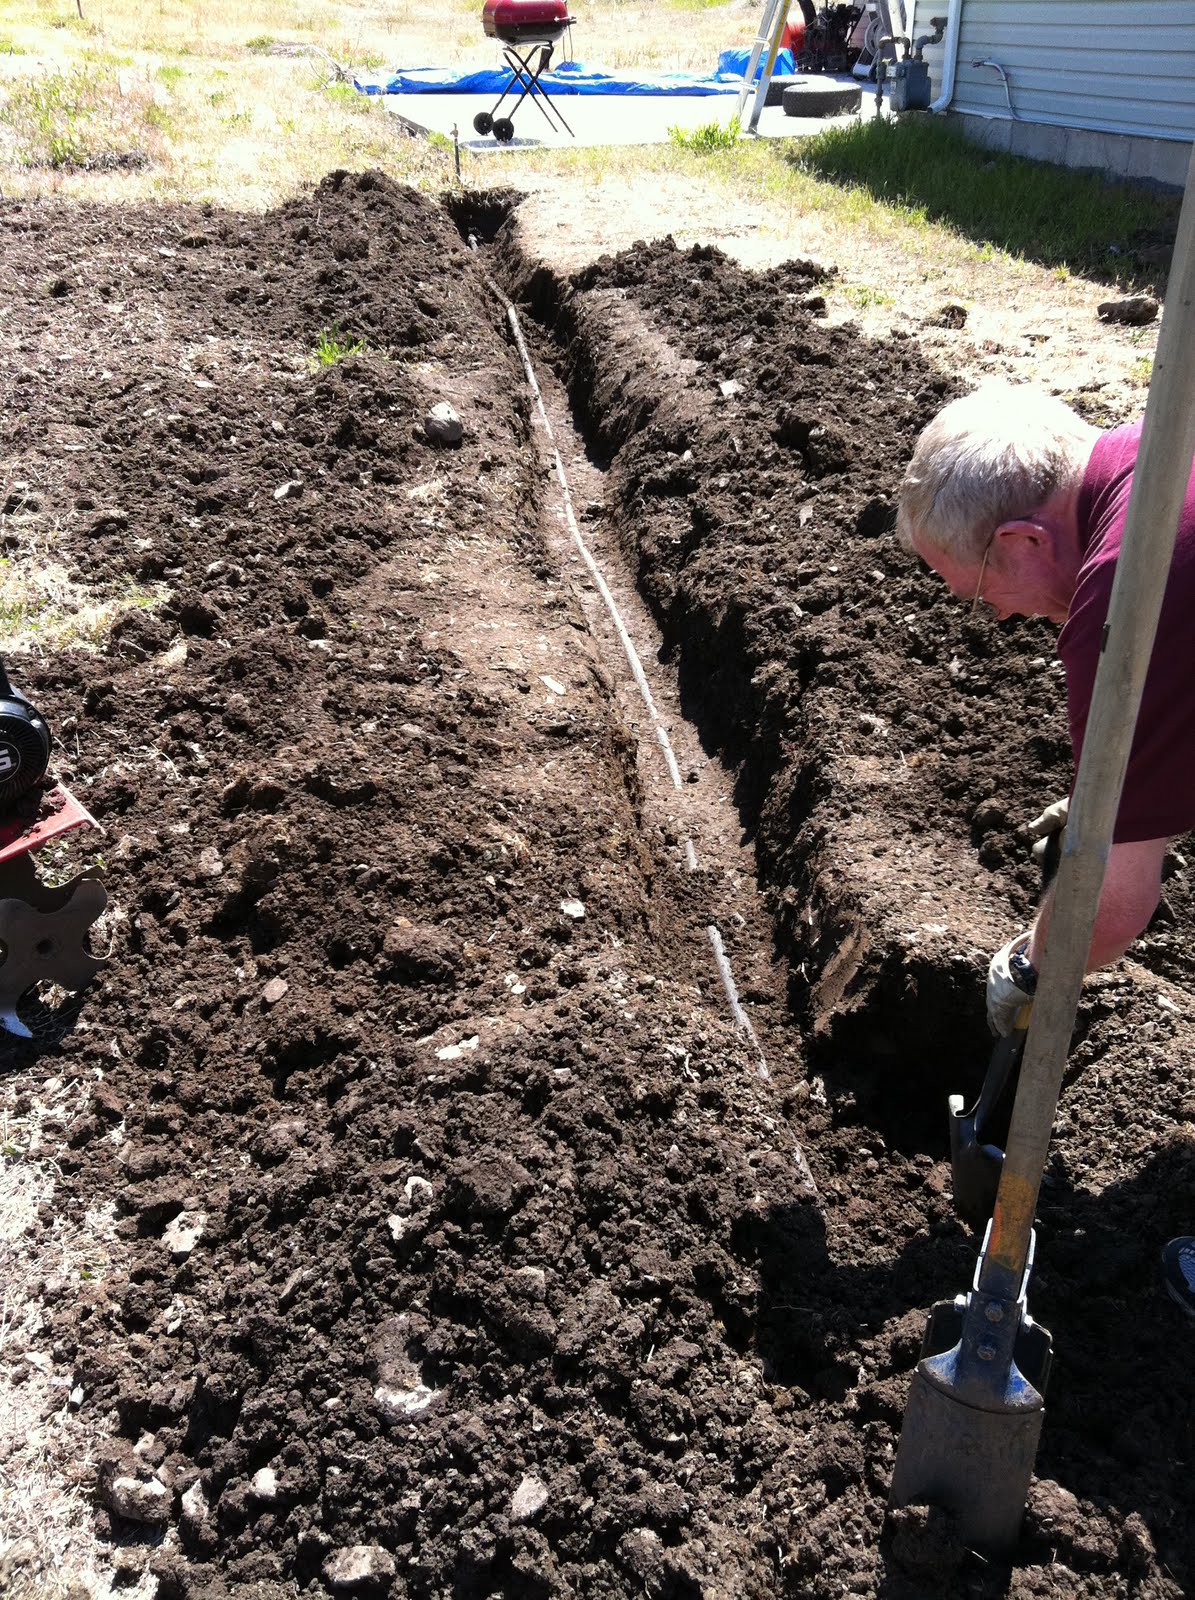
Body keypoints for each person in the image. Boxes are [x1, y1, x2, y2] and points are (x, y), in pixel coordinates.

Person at [896, 382, 1195, 1321]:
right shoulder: (1160, 450)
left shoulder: (1128, 586)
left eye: (979, 591)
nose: (993, 618)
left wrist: (1030, 962)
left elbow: (1109, 905)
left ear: (1024, 539)